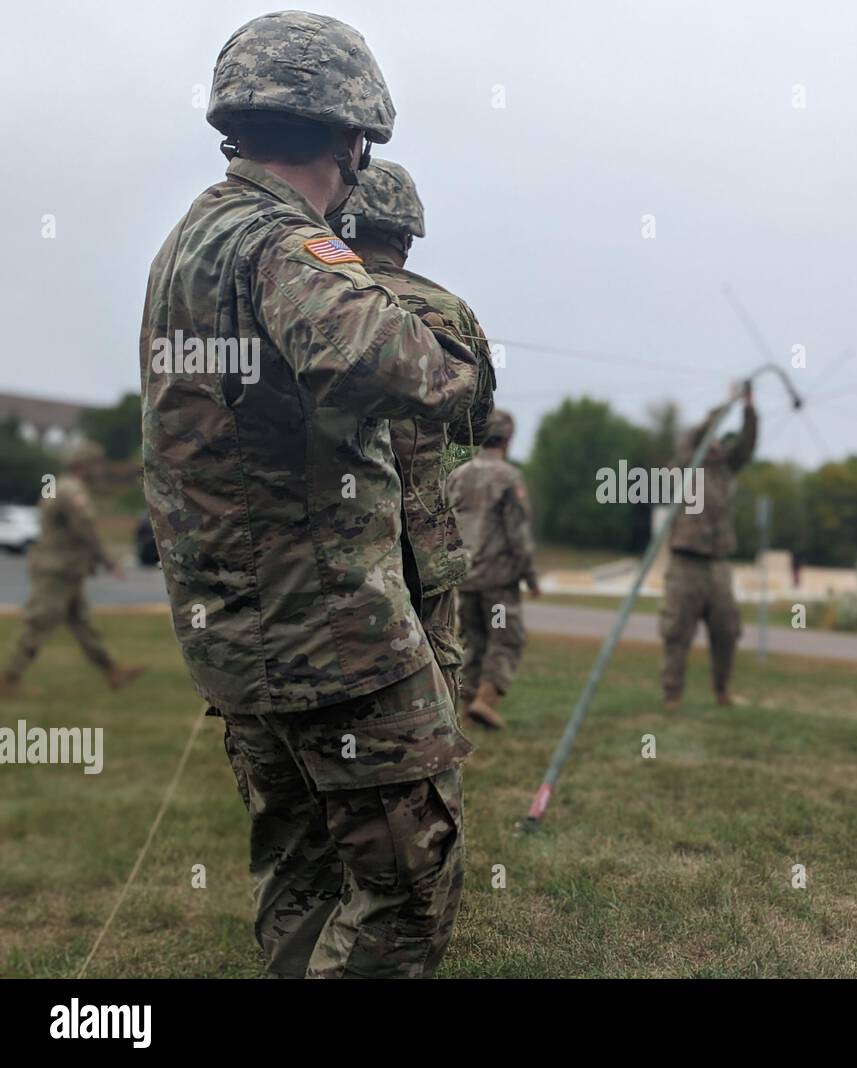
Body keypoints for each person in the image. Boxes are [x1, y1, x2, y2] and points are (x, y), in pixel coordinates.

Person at [140, 11, 480, 979]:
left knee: (302, 868)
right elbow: (396, 366)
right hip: (330, 630)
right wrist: (454, 354)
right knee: (405, 884)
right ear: (353, 137)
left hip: (239, 628)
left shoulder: (192, 238)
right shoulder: (283, 243)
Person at [328, 158, 495, 724]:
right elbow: (472, 432)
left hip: (324, 546)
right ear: (406, 235)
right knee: (430, 704)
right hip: (420, 553)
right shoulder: (450, 311)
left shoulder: (313, 300)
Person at [0, 442, 143, 698]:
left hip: (63, 568)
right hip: (58, 570)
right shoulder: (72, 491)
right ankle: (8, 680)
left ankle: (112, 670)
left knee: (82, 624)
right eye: (96, 464)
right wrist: (110, 561)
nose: (99, 469)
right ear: (84, 465)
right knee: (40, 621)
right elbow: (86, 530)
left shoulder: (59, 485)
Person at [659, 382, 758, 708]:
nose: (716, 442)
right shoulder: (687, 462)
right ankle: (672, 694)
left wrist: (747, 407)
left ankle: (722, 691)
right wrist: (723, 407)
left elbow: (746, 444)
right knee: (677, 631)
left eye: (719, 438)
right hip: (685, 561)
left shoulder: (724, 469)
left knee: (727, 630)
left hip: (718, 564)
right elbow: (689, 439)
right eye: (712, 437)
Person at [447, 411, 538, 730]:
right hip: (498, 578)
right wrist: (530, 575)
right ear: (509, 439)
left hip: (465, 576)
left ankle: (464, 709)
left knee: (473, 641)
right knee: (505, 638)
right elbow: (517, 533)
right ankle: (485, 701)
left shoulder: (458, 475)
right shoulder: (508, 477)